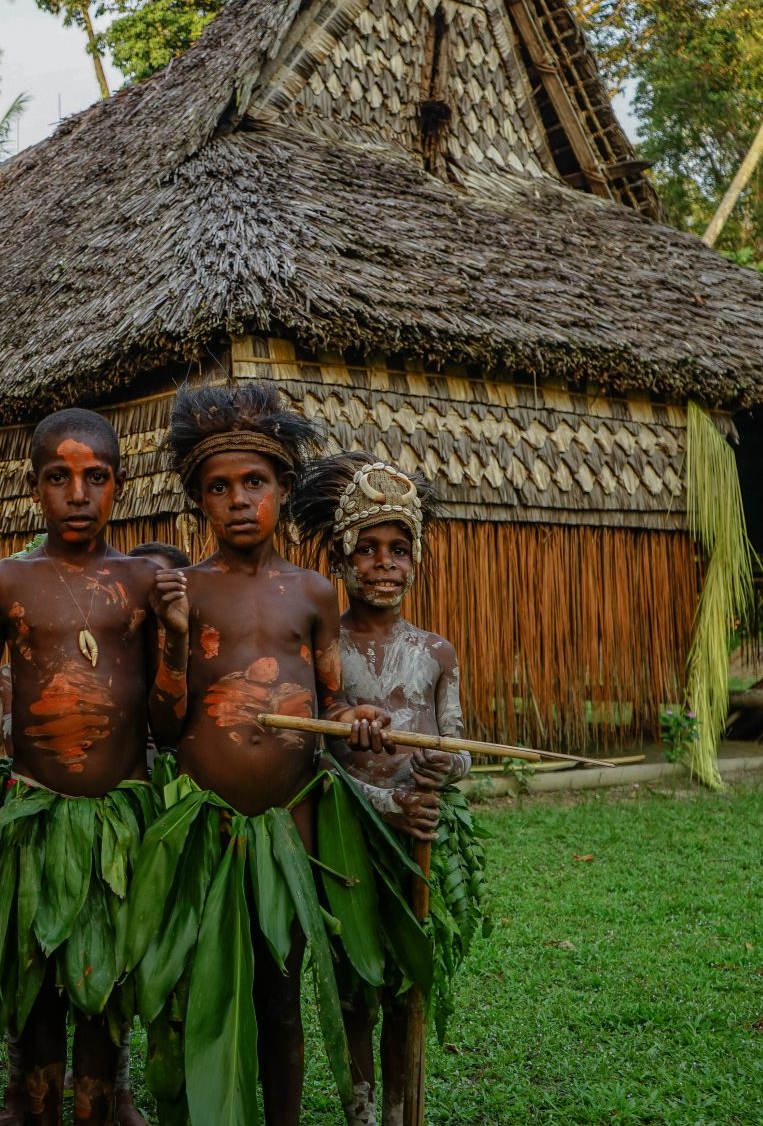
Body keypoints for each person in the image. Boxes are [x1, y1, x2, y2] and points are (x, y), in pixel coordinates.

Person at [127, 384, 424, 1126]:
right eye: (218, 488)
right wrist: (170, 634)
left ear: (283, 489)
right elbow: (163, 721)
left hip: (289, 827)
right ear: (197, 501)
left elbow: (327, 704)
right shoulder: (182, 589)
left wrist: (355, 719)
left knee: (282, 996)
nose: (237, 501)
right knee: (208, 993)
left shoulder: (313, 593)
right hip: (207, 826)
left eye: (254, 483)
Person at [0, 409, 170, 1126]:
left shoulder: (143, 583)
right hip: (31, 817)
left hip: (116, 825)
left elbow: (163, 705)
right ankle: (31, 1107)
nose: (77, 492)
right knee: (33, 994)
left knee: (102, 998)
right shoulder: (7, 582)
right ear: (34, 487)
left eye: (94, 477)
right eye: (58, 477)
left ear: (118, 486)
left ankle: (101, 1105)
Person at [290, 452, 491, 1126]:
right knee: (355, 983)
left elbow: (458, 742)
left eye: (398, 549)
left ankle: (407, 1111)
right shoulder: (326, 649)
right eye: (367, 549)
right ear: (340, 561)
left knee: (410, 984)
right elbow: (319, 756)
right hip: (351, 839)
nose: (383, 563)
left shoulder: (437, 652)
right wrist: (386, 803)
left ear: (418, 559)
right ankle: (362, 1113)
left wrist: (446, 771)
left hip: (423, 837)